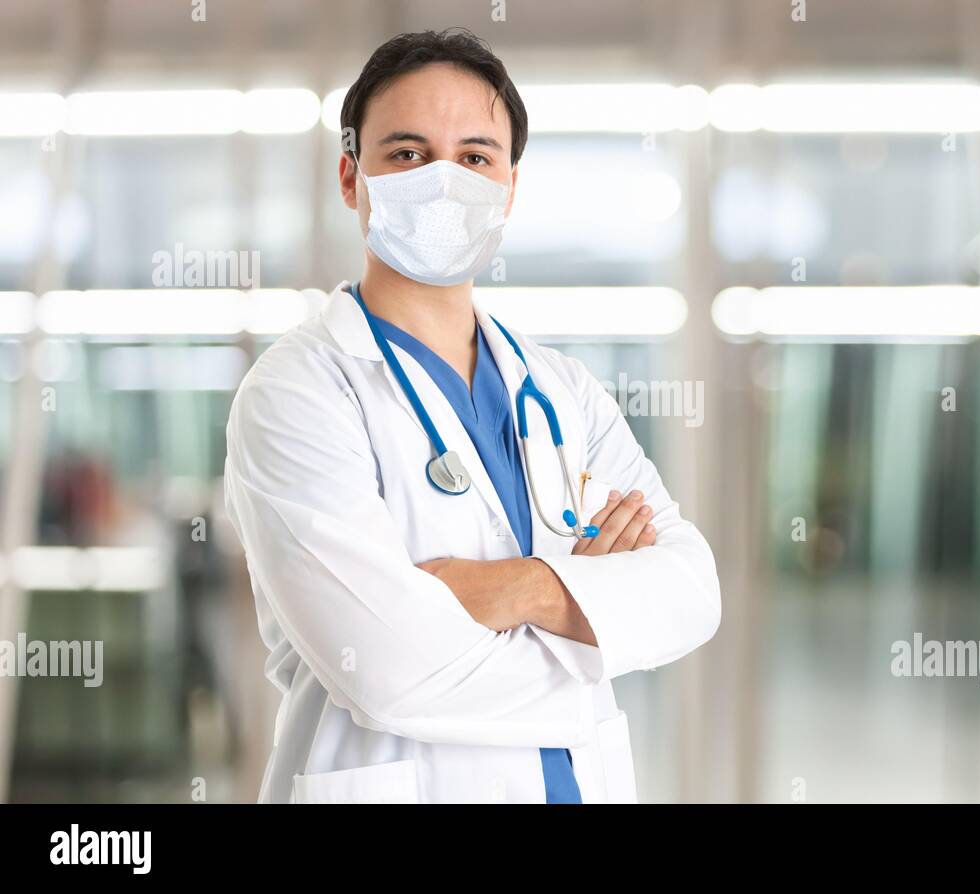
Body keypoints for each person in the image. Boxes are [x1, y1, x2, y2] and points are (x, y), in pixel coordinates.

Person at [222, 27, 721, 804]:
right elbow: (386, 669)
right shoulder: (297, 392)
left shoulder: (560, 390)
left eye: (476, 158)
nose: (444, 183)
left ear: (509, 189)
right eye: (409, 154)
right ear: (352, 177)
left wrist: (519, 588)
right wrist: (595, 619)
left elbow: (690, 593)